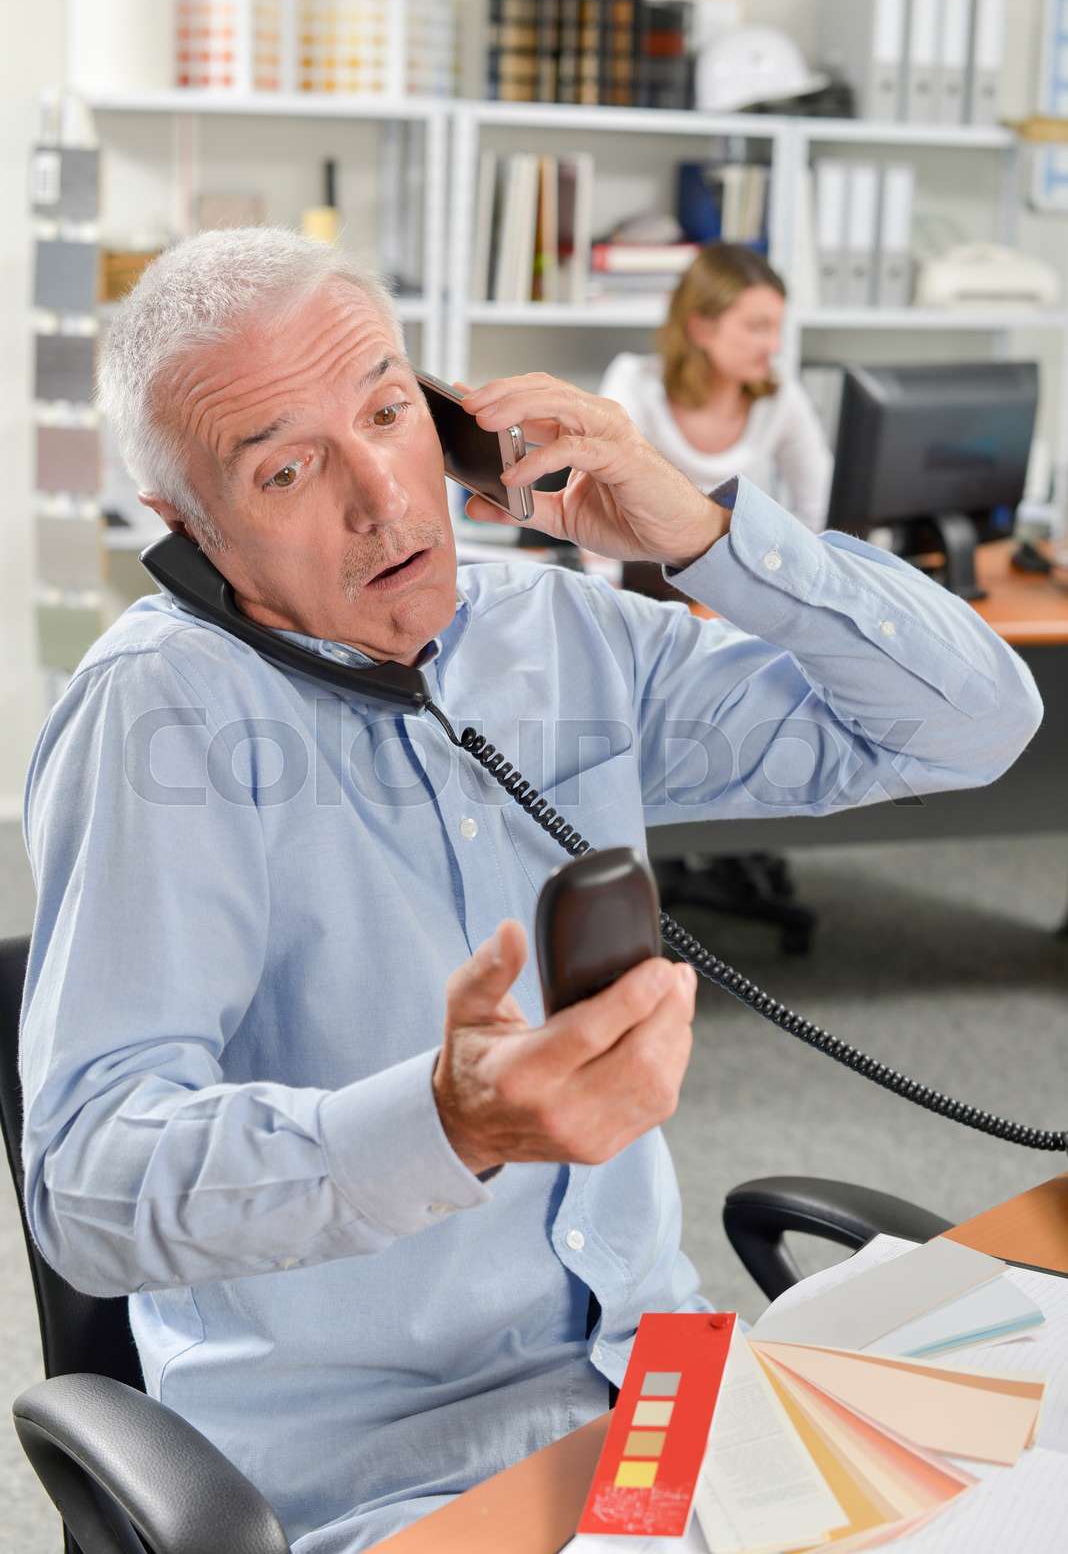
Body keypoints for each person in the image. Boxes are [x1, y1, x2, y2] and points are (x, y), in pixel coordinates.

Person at [19, 228, 1042, 1554]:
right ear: (189, 530)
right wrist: (445, 1125)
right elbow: (86, 1188)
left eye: (389, 414)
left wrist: (704, 534)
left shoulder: (548, 634)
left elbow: (970, 725)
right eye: (285, 468)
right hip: (393, 1472)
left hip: (665, 1394)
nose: (385, 499)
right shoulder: (155, 719)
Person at [600, 243, 831, 538]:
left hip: (747, 580)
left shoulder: (781, 396)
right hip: (643, 576)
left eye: (777, 328)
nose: (774, 347)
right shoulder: (633, 384)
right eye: (757, 327)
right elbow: (603, 504)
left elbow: (818, 510)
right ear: (701, 329)